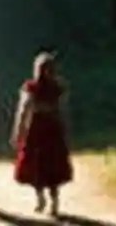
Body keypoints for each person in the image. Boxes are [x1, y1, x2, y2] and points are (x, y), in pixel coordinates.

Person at [11, 50, 74, 216]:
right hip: (51, 127)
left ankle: (43, 200)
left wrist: (18, 131)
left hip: (39, 128)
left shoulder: (32, 87)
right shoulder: (58, 87)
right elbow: (63, 110)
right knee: (50, 164)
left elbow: (23, 110)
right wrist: (66, 130)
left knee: (39, 165)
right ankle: (52, 201)